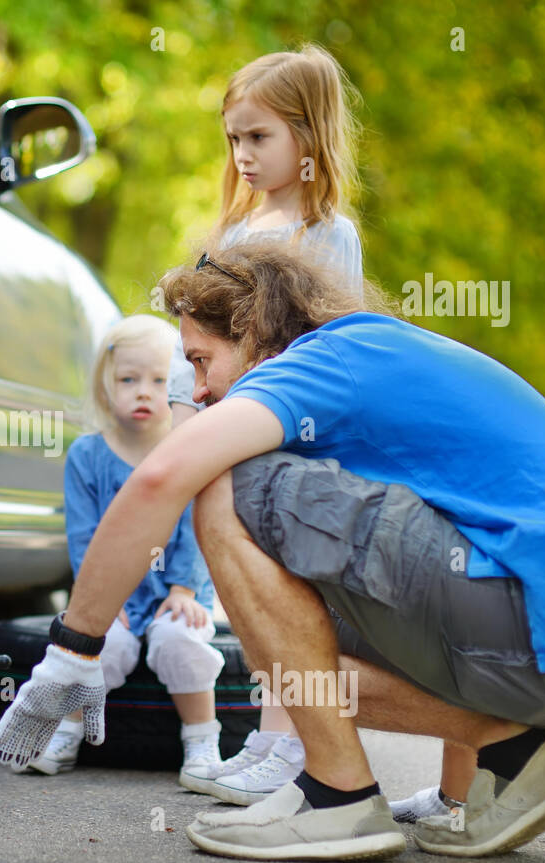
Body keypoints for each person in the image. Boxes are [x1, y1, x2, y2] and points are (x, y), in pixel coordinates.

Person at [0, 241, 545, 861]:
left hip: (540, 618)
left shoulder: (325, 357)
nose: (195, 392)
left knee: (221, 481)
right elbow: (452, 526)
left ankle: (339, 794)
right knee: (281, 627)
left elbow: (163, 474)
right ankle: (503, 765)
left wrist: (73, 650)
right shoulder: (370, 364)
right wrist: (458, 801)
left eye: (198, 360)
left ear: (251, 328)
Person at [165, 44, 369, 807]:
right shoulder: (234, 229)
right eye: (234, 139)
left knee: (289, 586)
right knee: (247, 588)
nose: (243, 154)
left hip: (292, 432)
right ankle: (266, 734)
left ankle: (292, 741)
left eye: (260, 137)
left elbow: (326, 336)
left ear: (309, 138)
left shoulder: (327, 231)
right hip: (231, 425)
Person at [0, 314, 225, 790]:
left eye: (160, 381)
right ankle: (66, 732)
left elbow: (194, 526)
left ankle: (202, 741)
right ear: (106, 385)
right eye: (129, 379)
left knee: (180, 642)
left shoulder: (183, 448)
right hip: (112, 593)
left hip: (175, 588)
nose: (144, 391)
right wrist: (103, 601)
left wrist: (185, 589)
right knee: (99, 646)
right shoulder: (87, 455)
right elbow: (85, 537)